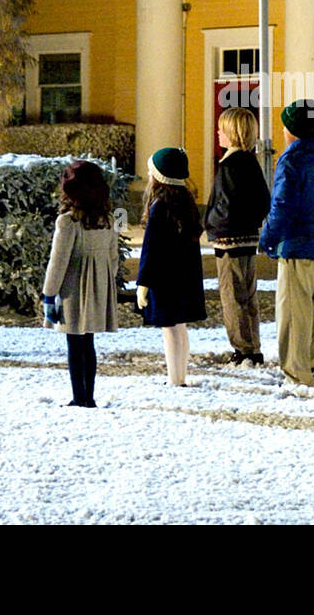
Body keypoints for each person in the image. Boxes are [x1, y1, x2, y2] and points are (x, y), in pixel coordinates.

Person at [258, 99, 314, 390]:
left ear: (291, 129)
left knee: (294, 317)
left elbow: (282, 205)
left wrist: (268, 238)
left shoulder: (291, 160)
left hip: (295, 247)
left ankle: (297, 376)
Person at [41, 161, 119, 408]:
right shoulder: (108, 219)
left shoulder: (67, 222)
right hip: (98, 286)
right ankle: (90, 396)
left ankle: (79, 397)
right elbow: (113, 256)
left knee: (74, 344)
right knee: (88, 343)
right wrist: (105, 281)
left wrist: (49, 294)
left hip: (73, 289)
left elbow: (58, 262)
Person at [204, 107, 271, 365]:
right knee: (248, 294)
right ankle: (252, 345)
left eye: (222, 128)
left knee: (232, 296)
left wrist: (209, 222)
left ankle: (243, 350)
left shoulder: (229, 165)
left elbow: (223, 204)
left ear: (232, 133)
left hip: (228, 238)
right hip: (248, 237)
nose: (217, 133)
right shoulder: (251, 162)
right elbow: (264, 200)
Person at [136, 148, 206, 386]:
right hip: (184, 278)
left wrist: (143, 283)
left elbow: (150, 248)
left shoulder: (160, 206)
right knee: (180, 327)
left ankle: (175, 379)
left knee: (170, 330)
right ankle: (180, 376)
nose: (148, 174)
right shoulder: (185, 202)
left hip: (164, 280)